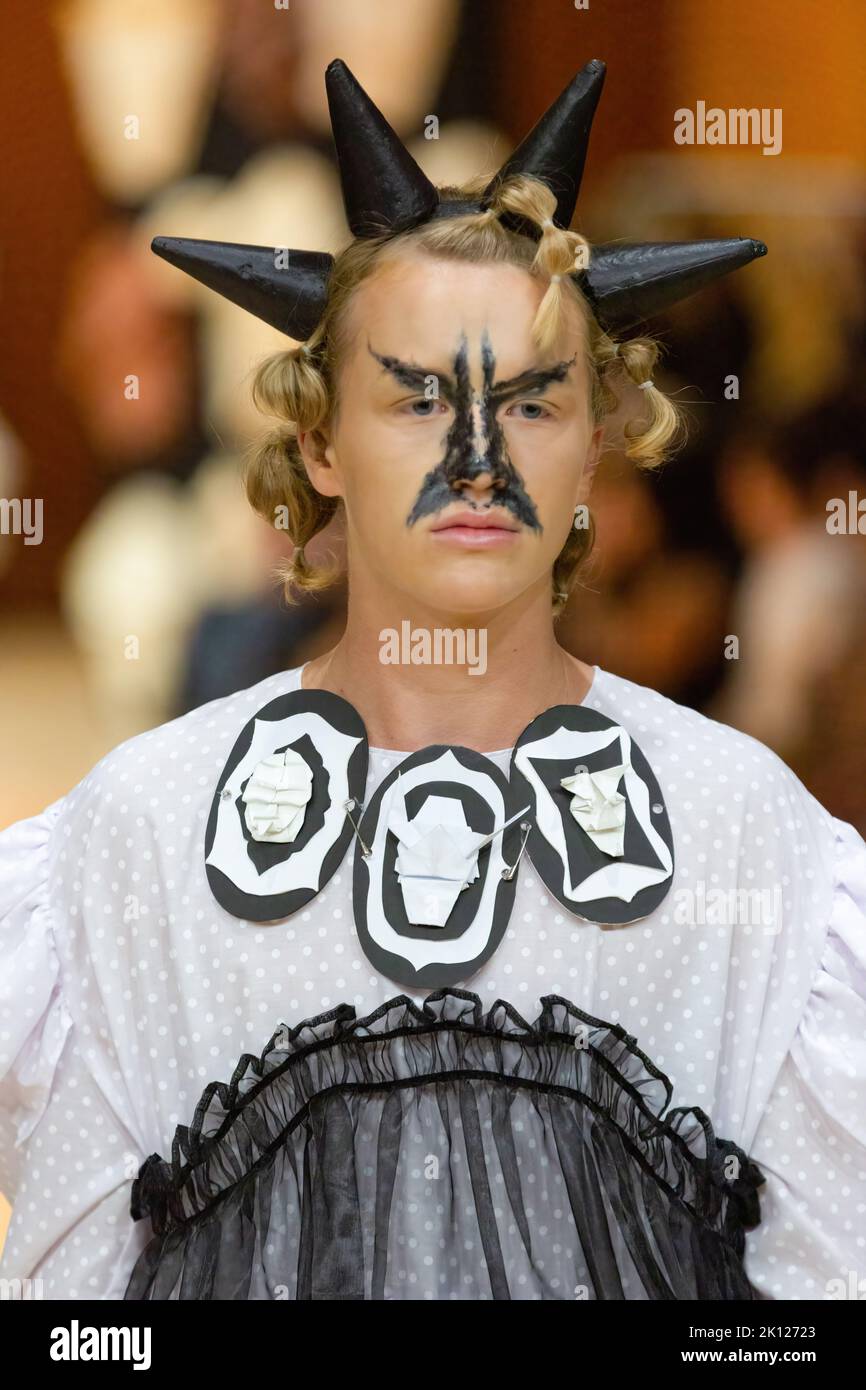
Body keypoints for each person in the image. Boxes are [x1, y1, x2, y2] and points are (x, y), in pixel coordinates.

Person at [1, 59, 863, 1303]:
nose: (475, 461)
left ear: (595, 446)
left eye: (527, 402)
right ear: (318, 441)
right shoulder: (141, 836)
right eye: (414, 399)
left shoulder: (750, 840)